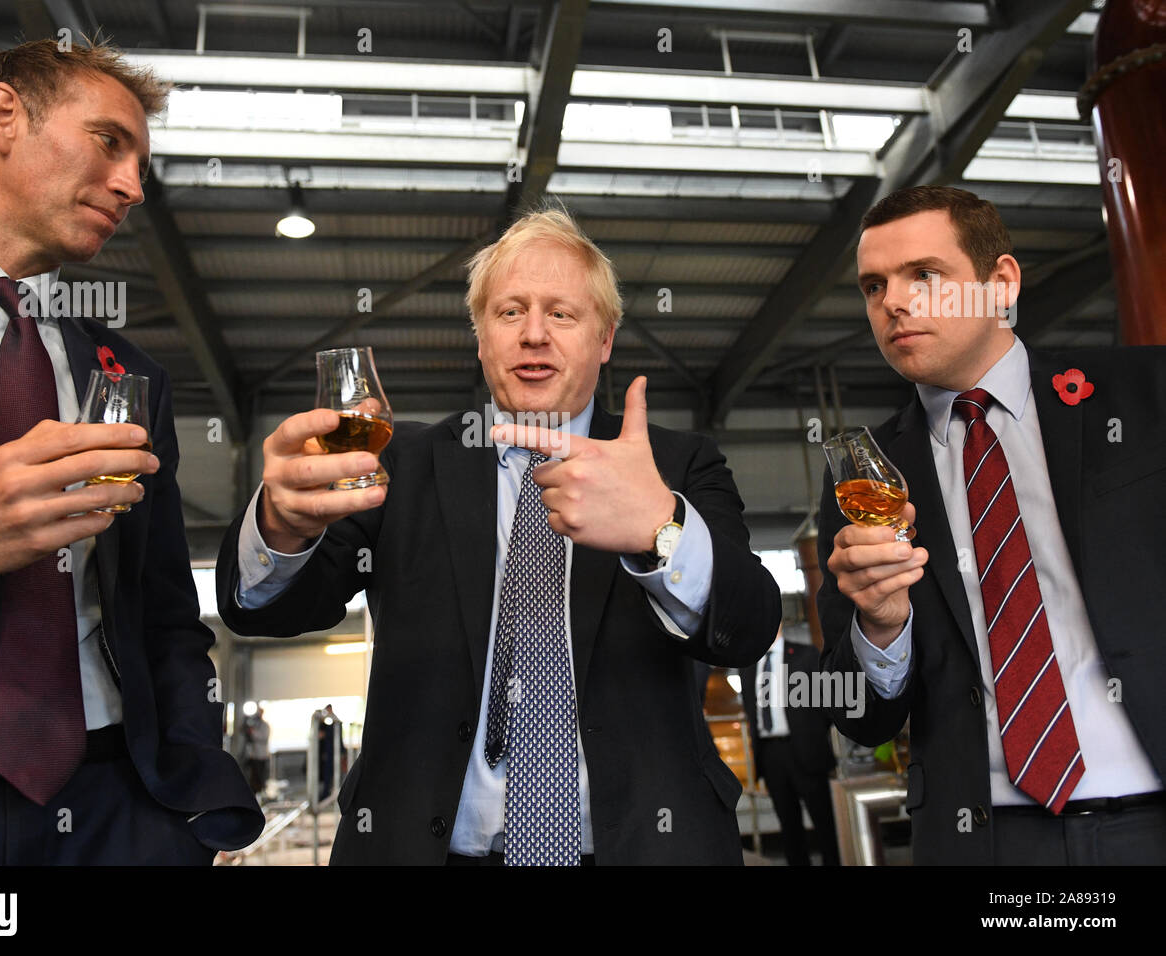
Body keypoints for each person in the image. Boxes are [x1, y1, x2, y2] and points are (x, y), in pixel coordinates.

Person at [216, 210, 781, 865]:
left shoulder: (678, 466)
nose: (533, 334)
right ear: (481, 337)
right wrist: (280, 528)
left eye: (562, 314)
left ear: (605, 338)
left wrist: (660, 529)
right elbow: (270, 608)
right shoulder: (402, 467)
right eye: (509, 312)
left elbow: (748, 626)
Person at [0, 38, 263, 864]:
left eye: (140, 165)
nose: (130, 186)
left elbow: (164, 616)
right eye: (109, 142)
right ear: (4, 115)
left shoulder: (133, 375)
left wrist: (195, 803)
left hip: (120, 809)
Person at [816, 184, 1166, 864]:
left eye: (925, 274)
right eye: (873, 285)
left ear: (1000, 283)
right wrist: (881, 629)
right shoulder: (864, 484)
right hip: (986, 840)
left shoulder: (1146, 401)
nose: (893, 301)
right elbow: (859, 714)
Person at [738, 627, 840, 866]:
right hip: (770, 754)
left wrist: (813, 734)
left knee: (824, 821)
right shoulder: (747, 664)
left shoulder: (806, 655)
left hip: (806, 748)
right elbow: (750, 708)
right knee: (788, 824)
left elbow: (827, 701)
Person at [243, 704, 271, 798]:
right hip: (254, 756)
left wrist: (253, 732)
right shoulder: (254, 724)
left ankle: (261, 793)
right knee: (253, 777)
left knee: (260, 776)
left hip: (262, 756)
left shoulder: (265, 726)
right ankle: (254, 794)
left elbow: (263, 737)